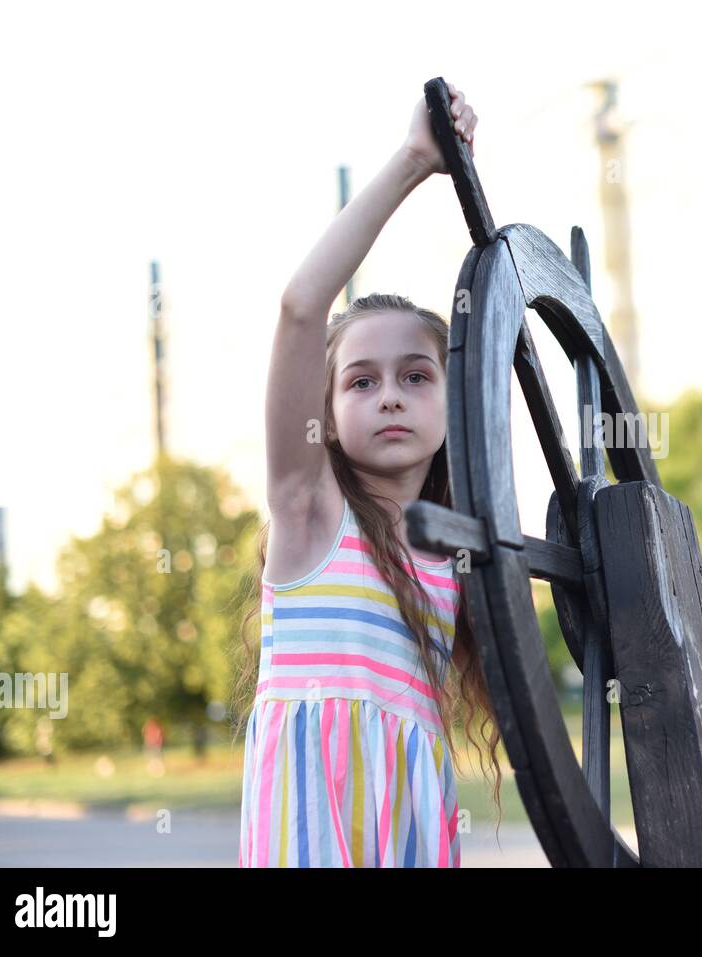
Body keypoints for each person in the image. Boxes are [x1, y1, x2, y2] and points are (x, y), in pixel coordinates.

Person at [232, 82, 503, 867]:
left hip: (410, 828)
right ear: (328, 405)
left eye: (416, 376)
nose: (389, 394)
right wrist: (417, 160)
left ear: (455, 400)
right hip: (311, 834)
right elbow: (300, 307)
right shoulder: (309, 511)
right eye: (361, 381)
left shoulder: (457, 557)